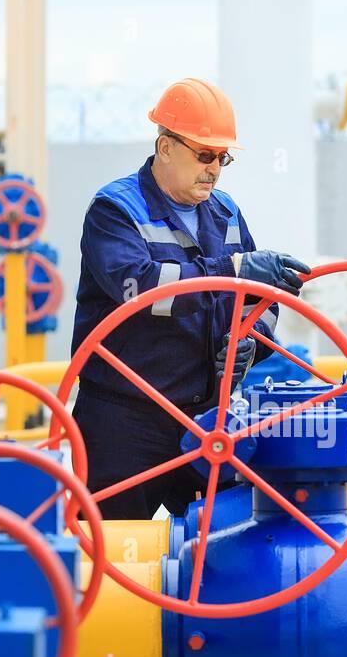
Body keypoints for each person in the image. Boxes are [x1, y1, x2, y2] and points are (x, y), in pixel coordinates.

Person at [73, 78, 310, 520]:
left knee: (226, 558)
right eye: (205, 154)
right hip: (124, 422)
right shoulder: (115, 211)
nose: (214, 168)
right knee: (110, 557)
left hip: (206, 420)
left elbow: (261, 303)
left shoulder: (226, 214)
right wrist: (232, 271)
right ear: (165, 147)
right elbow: (138, 291)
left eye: (223, 158)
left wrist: (251, 341)